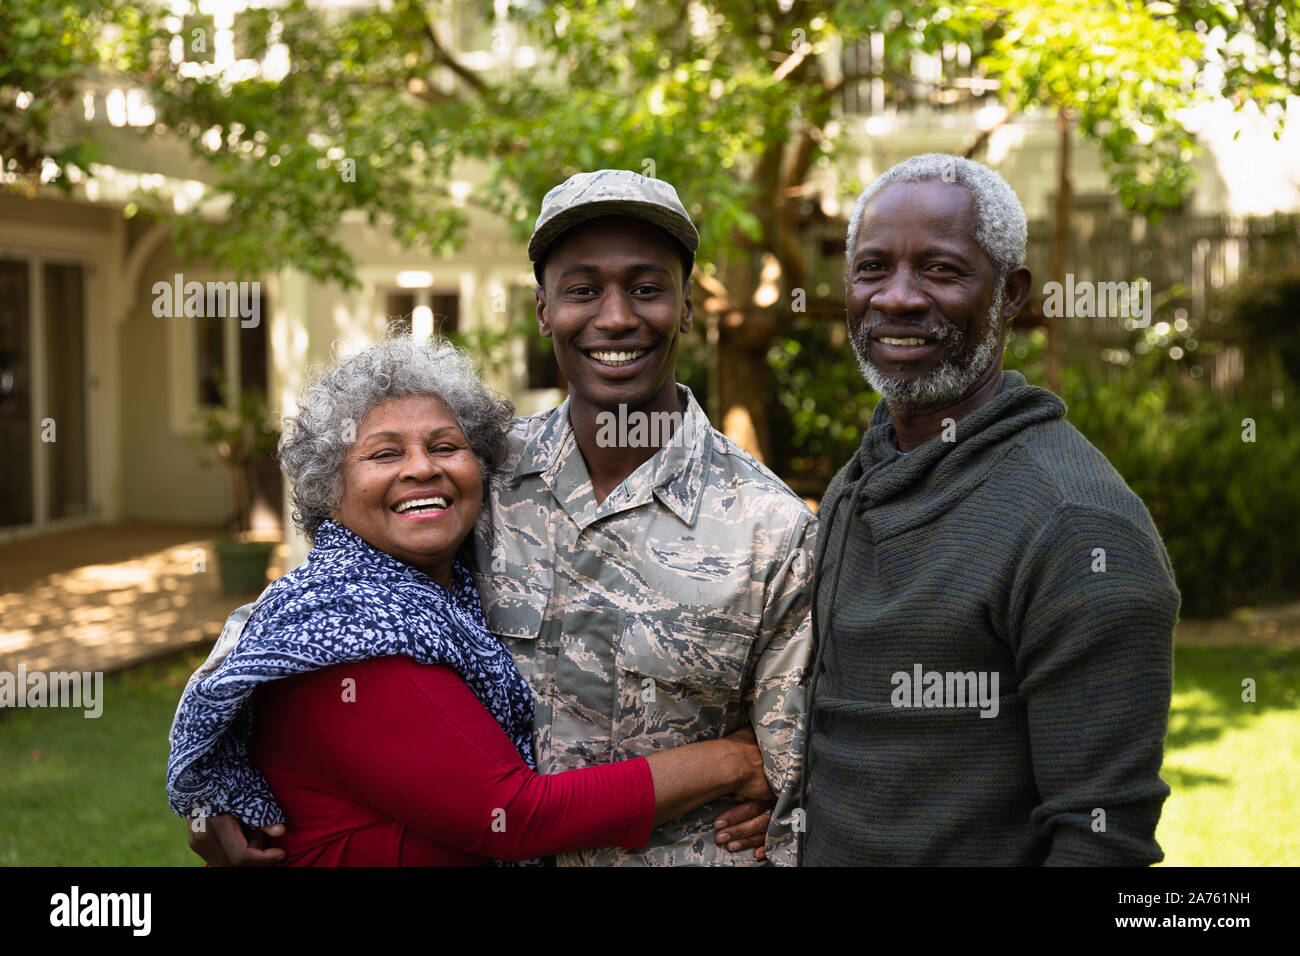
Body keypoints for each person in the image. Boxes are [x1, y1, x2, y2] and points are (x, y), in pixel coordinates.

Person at [178, 169, 815, 866]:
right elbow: (311, 615)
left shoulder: (772, 531)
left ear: (686, 306)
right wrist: (223, 787)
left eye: (646, 287)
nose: (615, 317)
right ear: (543, 311)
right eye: (581, 289)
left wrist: (779, 799)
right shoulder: (475, 475)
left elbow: (796, 776)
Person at [166, 337, 773, 865]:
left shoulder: (447, 581)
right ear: (331, 492)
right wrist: (734, 764)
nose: (421, 469)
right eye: (385, 454)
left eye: (445, 446)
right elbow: (513, 815)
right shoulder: (348, 628)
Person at [799, 154, 1181, 866]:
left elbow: (1100, 842)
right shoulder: (868, 472)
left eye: (941, 270)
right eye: (872, 268)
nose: (898, 298)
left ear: (1010, 293)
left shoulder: (1075, 528)